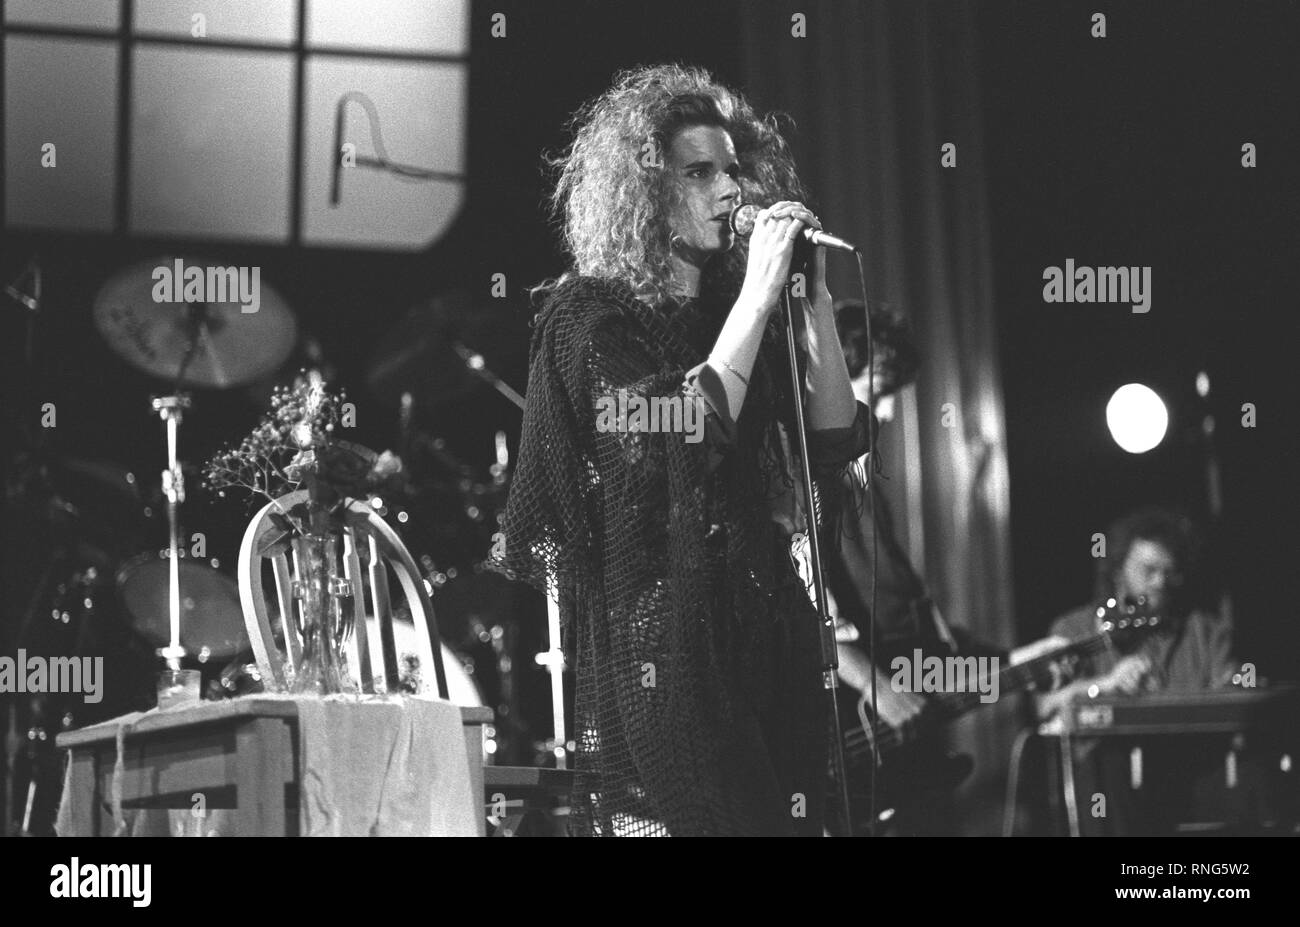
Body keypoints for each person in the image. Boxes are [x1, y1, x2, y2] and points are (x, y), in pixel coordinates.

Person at [492, 65, 872, 836]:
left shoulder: (741, 318)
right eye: (698, 172)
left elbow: (833, 435)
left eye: (733, 170)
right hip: (662, 655)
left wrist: (811, 300)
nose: (729, 190)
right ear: (645, 191)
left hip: (766, 641)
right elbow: (678, 429)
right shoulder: (588, 319)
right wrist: (759, 296)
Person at [1036, 506, 1236, 722]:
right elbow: (1045, 706)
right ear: (1119, 569)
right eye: (1149, 571)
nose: (1160, 582)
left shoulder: (1205, 630)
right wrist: (1106, 684)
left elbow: (1231, 692)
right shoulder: (1073, 627)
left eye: (1169, 573)